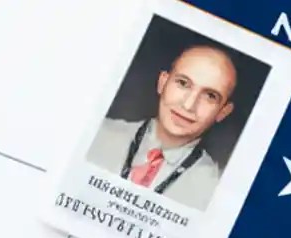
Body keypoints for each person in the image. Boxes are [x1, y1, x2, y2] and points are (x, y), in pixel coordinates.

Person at [87, 43, 238, 211]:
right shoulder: (96, 133)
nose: (188, 105)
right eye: (183, 83)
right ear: (162, 83)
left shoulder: (216, 190)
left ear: (223, 112)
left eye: (210, 96)